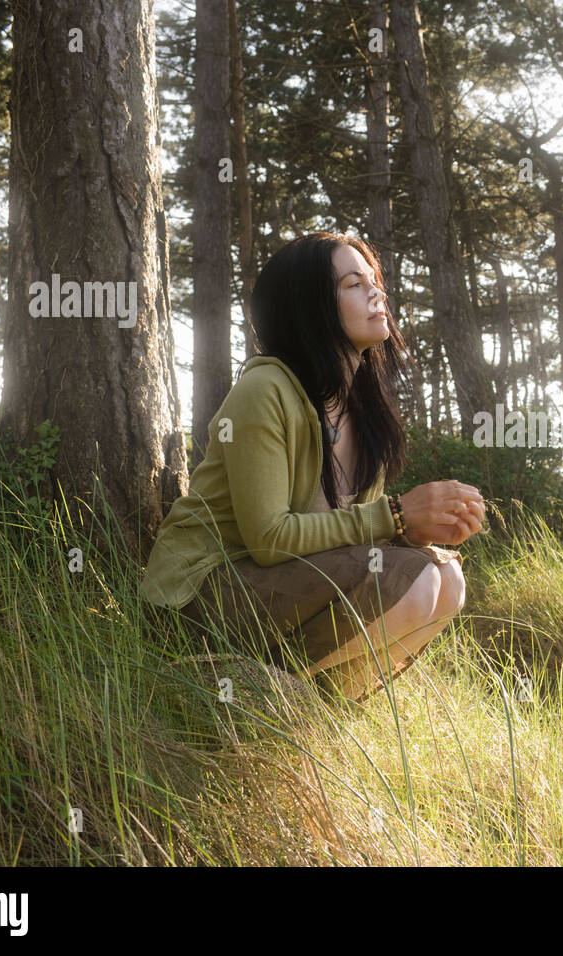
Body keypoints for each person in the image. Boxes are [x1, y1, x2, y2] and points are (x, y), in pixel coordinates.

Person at [140, 231, 485, 702]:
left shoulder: (363, 411)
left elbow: (345, 535)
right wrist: (397, 515)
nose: (376, 292)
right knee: (419, 581)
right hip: (204, 592)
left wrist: (414, 532)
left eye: (373, 280)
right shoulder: (264, 393)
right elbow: (269, 539)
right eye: (353, 284)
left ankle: (314, 706)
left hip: (284, 587)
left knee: (447, 580)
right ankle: (243, 690)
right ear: (309, 305)